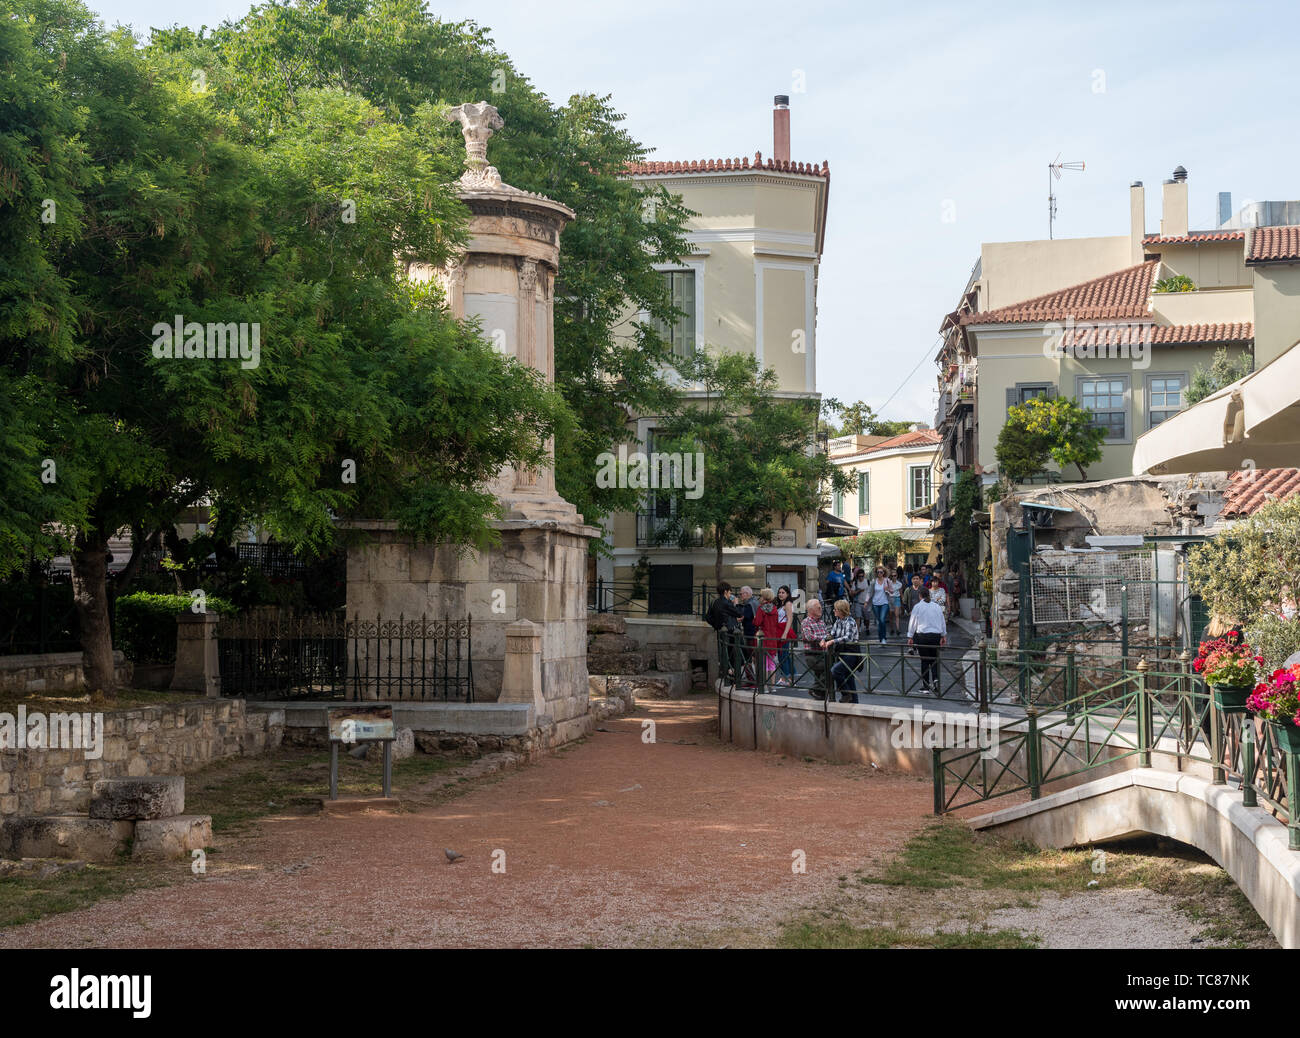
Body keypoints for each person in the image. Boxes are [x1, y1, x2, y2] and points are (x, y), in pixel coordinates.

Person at [907, 587, 947, 693]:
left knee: (924, 660)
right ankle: (936, 680)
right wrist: (943, 635)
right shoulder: (936, 606)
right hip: (935, 636)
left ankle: (926, 686)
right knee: (934, 660)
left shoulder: (917, 607)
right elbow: (942, 621)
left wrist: (910, 636)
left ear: (920, 595)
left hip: (922, 636)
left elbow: (913, 623)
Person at [753, 588, 793, 685]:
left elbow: (757, 622)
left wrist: (754, 619)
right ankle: (772, 685)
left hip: (763, 637)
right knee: (771, 662)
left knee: (764, 662)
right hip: (773, 637)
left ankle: (765, 686)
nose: (760, 598)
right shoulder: (774, 608)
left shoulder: (761, 608)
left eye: (761, 596)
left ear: (764, 597)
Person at [823, 599, 860, 703]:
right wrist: (824, 639)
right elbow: (832, 634)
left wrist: (832, 642)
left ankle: (845, 693)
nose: (833, 611)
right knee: (849, 677)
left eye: (835, 609)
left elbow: (848, 637)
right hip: (842, 651)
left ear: (841, 610)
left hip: (851, 652)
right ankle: (854, 701)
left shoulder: (850, 621)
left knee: (836, 670)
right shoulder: (838, 621)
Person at [705, 582, 743, 683]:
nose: (730, 594)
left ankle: (727, 677)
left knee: (724, 654)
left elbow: (708, 617)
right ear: (725, 591)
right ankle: (733, 680)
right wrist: (736, 603)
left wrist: (717, 626)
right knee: (733, 655)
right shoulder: (726, 603)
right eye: (730, 591)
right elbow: (739, 613)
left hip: (721, 632)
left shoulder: (714, 602)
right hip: (731, 632)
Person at [800, 597, 830, 698]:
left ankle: (819, 694)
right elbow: (809, 636)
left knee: (820, 675)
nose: (821, 609)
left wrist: (827, 639)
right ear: (811, 610)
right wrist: (822, 639)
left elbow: (827, 635)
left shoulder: (821, 622)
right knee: (828, 670)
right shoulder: (806, 622)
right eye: (818, 608)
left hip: (823, 653)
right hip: (812, 654)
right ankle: (815, 689)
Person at [775, 585, 798, 684]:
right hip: (779, 630)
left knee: (782, 655)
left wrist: (785, 633)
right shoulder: (781, 604)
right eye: (779, 592)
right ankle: (790, 676)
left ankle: (786, 677)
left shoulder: (788, 604)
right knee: (784, 654)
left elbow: (790, 619)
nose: (780, 594)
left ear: (787, 594)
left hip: (784, 630)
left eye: (783, 592)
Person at [870, 566, 892, 645]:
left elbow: (892, 591)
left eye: (881, 572)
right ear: (876, 573)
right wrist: (866, 601)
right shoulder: (873, 581)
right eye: (878, 572)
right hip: (875, 603)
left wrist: (888, 589)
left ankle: (883, 638)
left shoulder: (887, 580)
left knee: (882, 619)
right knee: (879, 622)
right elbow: (870, 592)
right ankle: (881, 638)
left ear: (884, 573)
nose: (879, 573)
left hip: (884, 603)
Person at [889, 569, 904, 636]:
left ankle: (898, 629)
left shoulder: (900, 584)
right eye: (892, 576)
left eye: (895, 575)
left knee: (897, 615)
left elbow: (901, 593)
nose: (893, 577)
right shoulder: (888, 583)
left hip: (897, 599)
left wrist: (903, 601)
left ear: (897, 576)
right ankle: (892, 628)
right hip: (890, 599)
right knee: (891, 615)